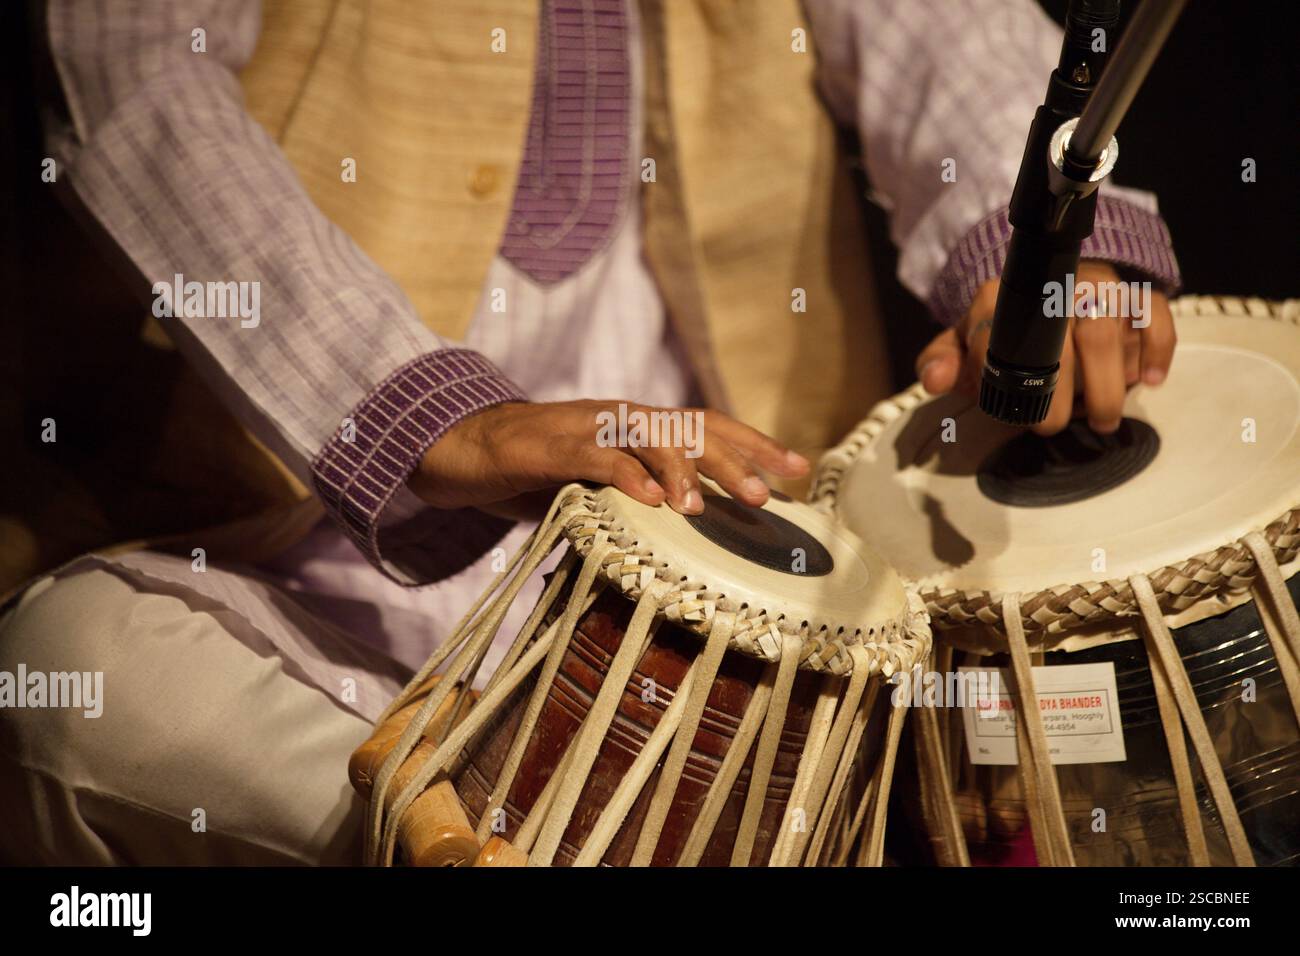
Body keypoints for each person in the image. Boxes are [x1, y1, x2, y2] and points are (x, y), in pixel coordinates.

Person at [0, 0, 1179, 864]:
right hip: (309, 538)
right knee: (74, 670)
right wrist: (431, 413)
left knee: (1060, 690)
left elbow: (943, 30)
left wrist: (1030, 259)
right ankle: (438, 826)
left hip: (743, 567)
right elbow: (129, 69)